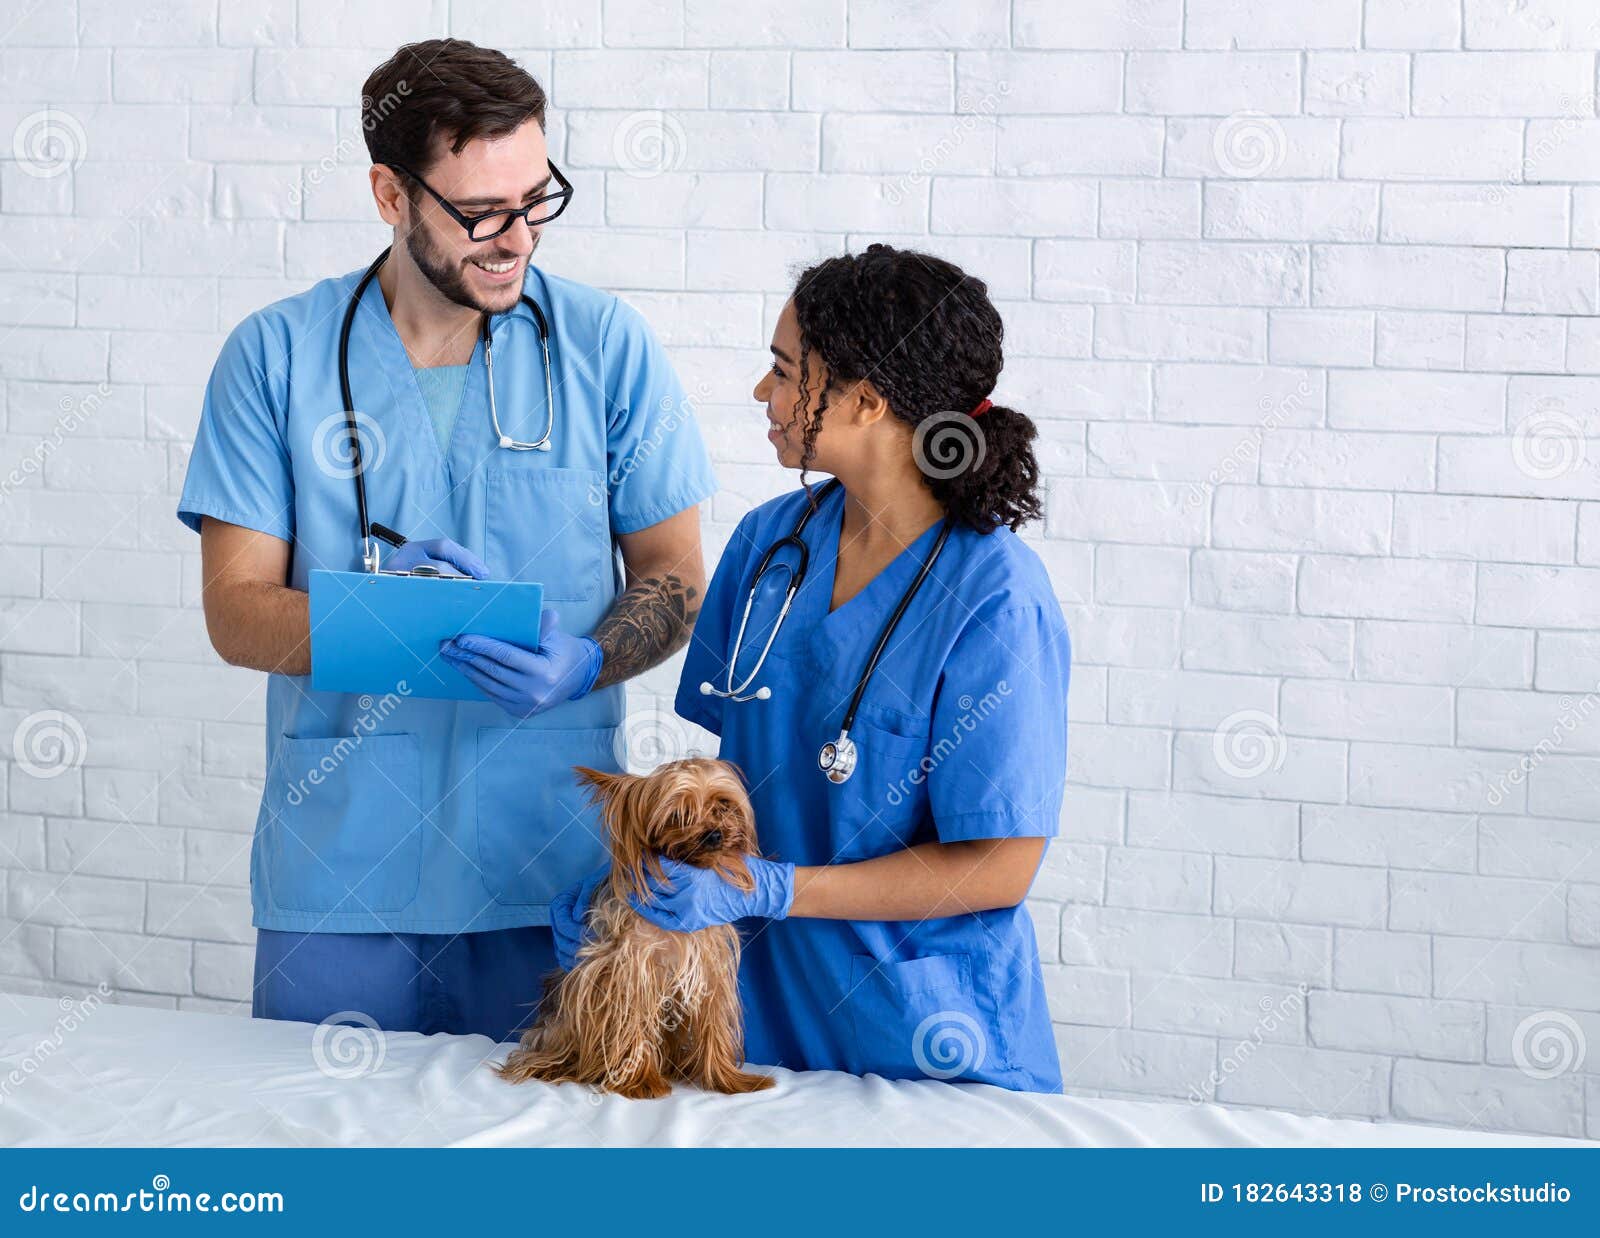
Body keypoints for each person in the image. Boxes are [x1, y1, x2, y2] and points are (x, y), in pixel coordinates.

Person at [176, 39, 715, 1041]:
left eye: (534, 199)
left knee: (536, 1184)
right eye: (478, 213)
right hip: (338, 880)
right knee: (320, 1166)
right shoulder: (274, 357)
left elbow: (676, 574)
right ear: (390, 193)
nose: (514, 238)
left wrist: (590, 656)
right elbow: (235, 608)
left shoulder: (607, 349)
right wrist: (420, 631)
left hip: (546, 874)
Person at [553, 244, 1070, 1092]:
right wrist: (633, 885)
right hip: (755, 1038)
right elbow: (736, 787)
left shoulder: (995, 596)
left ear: (866, 399)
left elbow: (1000, 866)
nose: (765, 392)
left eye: (786, 371)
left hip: (928, 1044)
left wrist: (776, 889)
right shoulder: (769, 546)